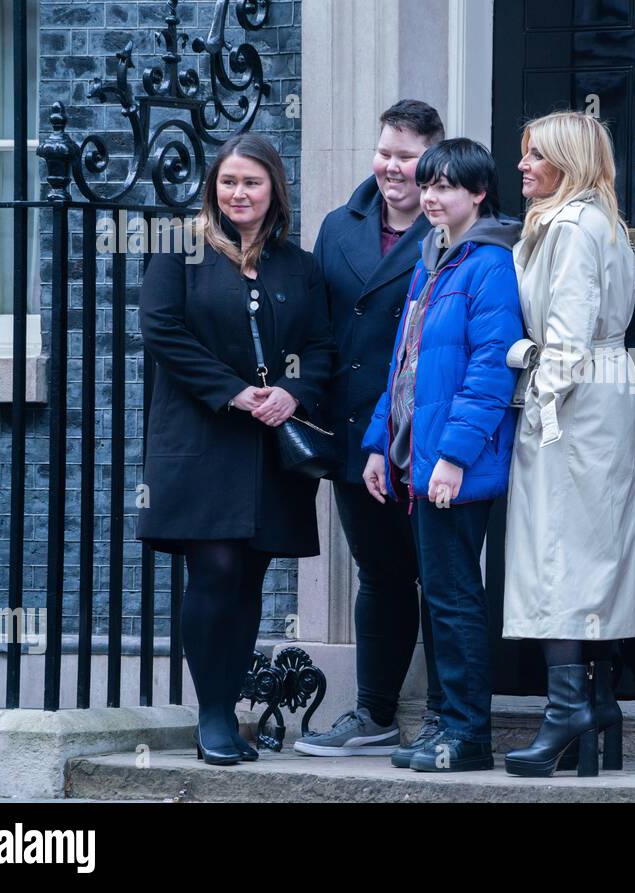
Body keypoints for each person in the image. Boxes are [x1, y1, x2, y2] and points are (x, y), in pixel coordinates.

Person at [138, 133, 336, 765]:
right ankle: (215, 713)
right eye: (228, 182)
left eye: (252, 182)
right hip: (201, 436)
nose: (238, 193)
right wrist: (233, 393)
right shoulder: (182, 252)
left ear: (274, 188)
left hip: (270, 447)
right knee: (215, 568)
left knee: (249, 573)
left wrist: (293, 391)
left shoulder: (298, 266)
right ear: (213, 189)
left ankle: (227, 708)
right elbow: (161, 330)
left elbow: (322, 345)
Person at [361, 138, 523, 772]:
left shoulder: (488, 264)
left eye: (446, 186)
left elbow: (491, 371)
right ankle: (444, 728)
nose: (429, 196)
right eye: (426, 184)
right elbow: (404, 366)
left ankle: (467, 736)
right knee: (441, 597)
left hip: (454, 465)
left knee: (454, 599)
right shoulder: (435, 259)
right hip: (418, 459)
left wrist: (453, 457)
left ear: (478, 195)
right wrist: (380, 444)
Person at [293, 100, 448, 763]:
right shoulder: (338, 226)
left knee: (442, 578)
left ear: (433, 160)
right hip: (356, 433)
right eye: (385, 151)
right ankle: (374, 712)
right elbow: (317, 328)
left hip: (426, 435)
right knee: (380, 576)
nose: (391, 166)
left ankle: (449, 713)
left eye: (407, 156)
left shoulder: (453, 227)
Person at [502, 111, 635, 778]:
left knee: (559, 553)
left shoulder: (572, 226)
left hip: (576, 401)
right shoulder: (602, 223)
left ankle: (567, 712)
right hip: (606, 396)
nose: (524, 164)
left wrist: (537, 395)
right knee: (597, 551)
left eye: (537, 155)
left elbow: (566, 332)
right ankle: (599, 700)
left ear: (569, 162)